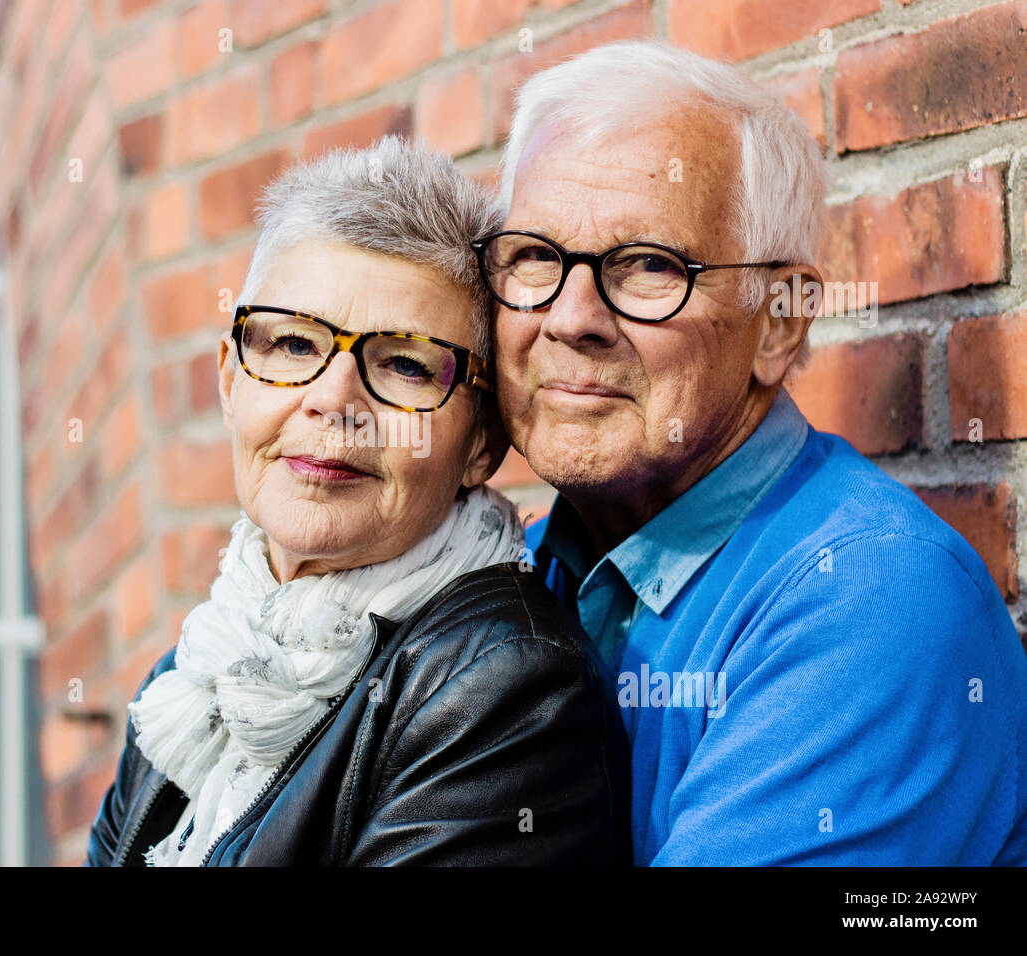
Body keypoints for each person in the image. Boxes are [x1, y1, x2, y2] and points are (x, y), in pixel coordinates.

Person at [482, 39, 1027, 865]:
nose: (569, 318)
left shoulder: (870, 600)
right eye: (533, 258)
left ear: (779, 320)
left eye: (647, 267)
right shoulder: (515, 569)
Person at [85, 136, 630, 867]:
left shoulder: (509, 690)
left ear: (482, 444)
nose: (334, 401)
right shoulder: (195, 674)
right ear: (228, 381)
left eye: (405, 364)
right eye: (291, 346)